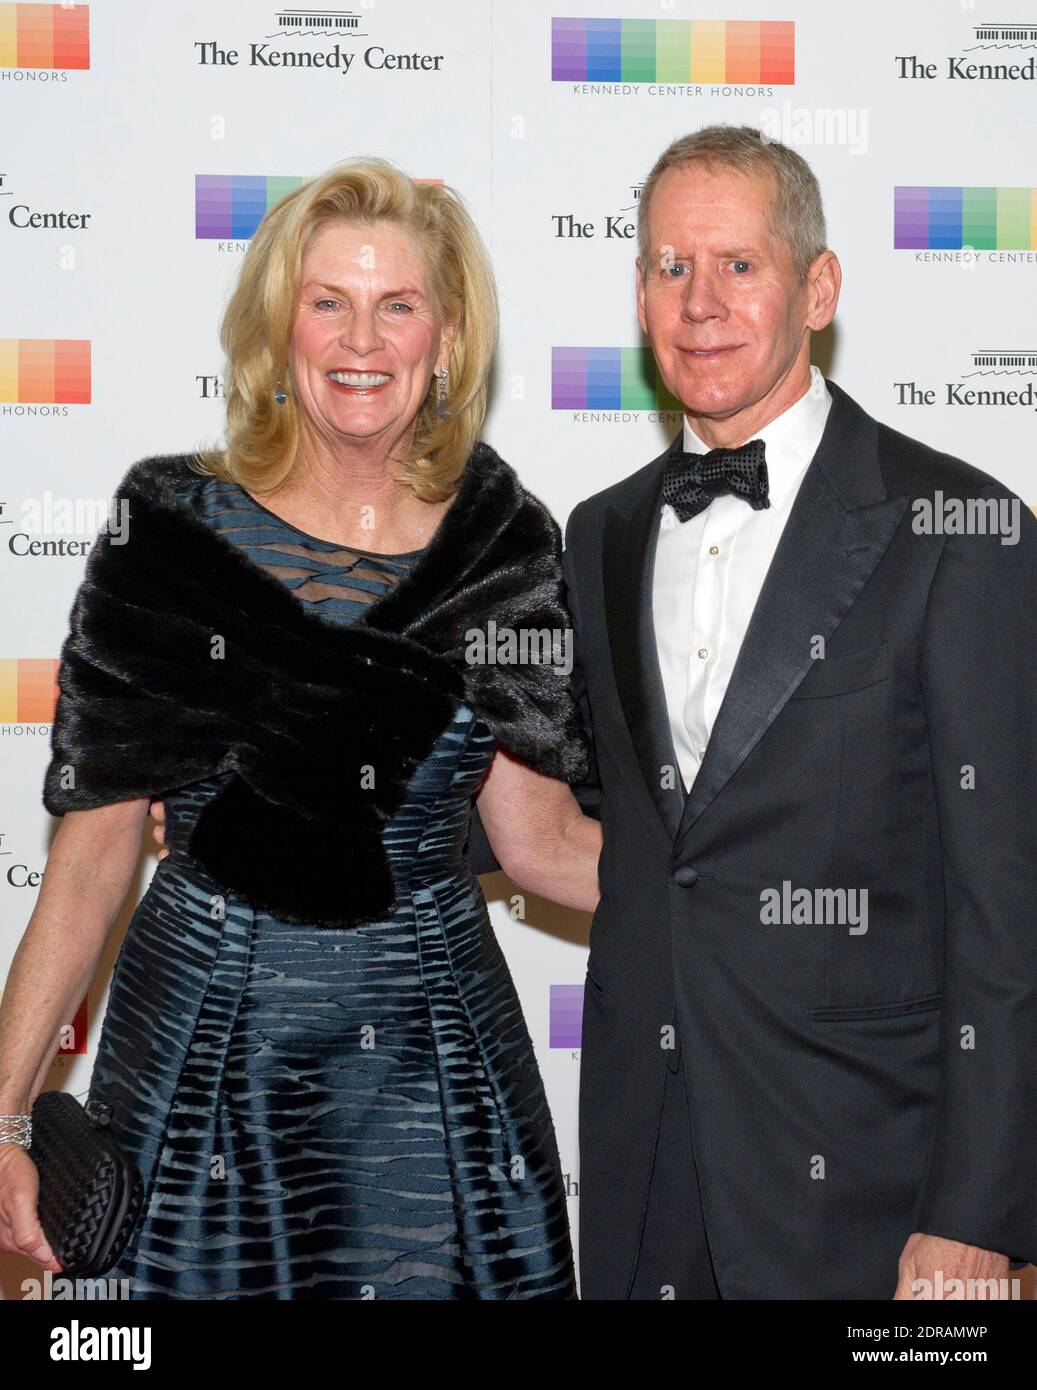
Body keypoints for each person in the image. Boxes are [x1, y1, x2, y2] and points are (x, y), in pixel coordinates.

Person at [0, 158, 601, 1299]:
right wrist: (3, 1122)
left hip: (430, 1081)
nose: (359, 338)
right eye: (326, 301)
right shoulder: (170, 532)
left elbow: (540, 844)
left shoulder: (503, 545)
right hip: (201, 1055)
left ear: (448, 335)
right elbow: (89, 865)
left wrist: (758, 886)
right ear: (276, 331)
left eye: (396, 303)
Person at [563, 125, 1037, 1300]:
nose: (699, 302)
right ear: (636, 293)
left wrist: (976, 1214)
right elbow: (609, 821)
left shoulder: (956, 531)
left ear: (816, 288)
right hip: (644, 1176)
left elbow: (1006, 912)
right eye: (671, 267)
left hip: (867, 1194)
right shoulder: (597, 534)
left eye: (738, 265)